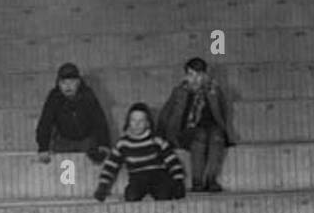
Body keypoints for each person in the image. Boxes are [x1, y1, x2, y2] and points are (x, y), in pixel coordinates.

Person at [157, 57, 234, 192]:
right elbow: (166, 113)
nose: (195, 79)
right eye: (191, 74)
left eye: (198, 75)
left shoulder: (214, 91)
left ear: (205, 75)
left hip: (211, 129)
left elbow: (223, 113)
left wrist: (213, 93)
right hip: (186, 131)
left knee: (217, 135)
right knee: (200, 134)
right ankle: (197, 181)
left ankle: (211, 180)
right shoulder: (179, 91)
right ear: (186, 76)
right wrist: (160, 134)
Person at [94, 103, 185, 202]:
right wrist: (103, 186)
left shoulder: (157, 140)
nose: (136, 124)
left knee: (164, 194)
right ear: (128, 122)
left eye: (141, 121)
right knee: (131, 196)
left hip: (158, 175)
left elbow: (173, 161)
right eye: (133, 120)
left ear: (148, 123)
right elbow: (110, 166)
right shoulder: (123, 144)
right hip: (137, 177)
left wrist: (178, 181)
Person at [35, 63, 112, 164]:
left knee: (95, 160)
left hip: (87, 140)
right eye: (63, 82)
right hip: (64, 141)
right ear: (58, 84)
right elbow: (45, 123)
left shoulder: (87, 95)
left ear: (78, 82)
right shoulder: (54, 98)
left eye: (71, 82)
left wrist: (104, 143)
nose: (68, 86)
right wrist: (43, 148)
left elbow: (99, 120)